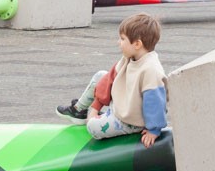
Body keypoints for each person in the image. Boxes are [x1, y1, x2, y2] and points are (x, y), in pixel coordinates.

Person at [54, 13, 168, 148]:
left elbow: (155, 103)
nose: (118, 42)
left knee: (93, 127)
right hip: (122, 105)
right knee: (101, 75)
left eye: (122, 39)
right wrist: (95, 108)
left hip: (131, 121)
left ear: (137, 44)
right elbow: (109, 79)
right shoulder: (130, 57)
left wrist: (153, 130)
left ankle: (101, 118)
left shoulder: (151, 70)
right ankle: (79, 110)